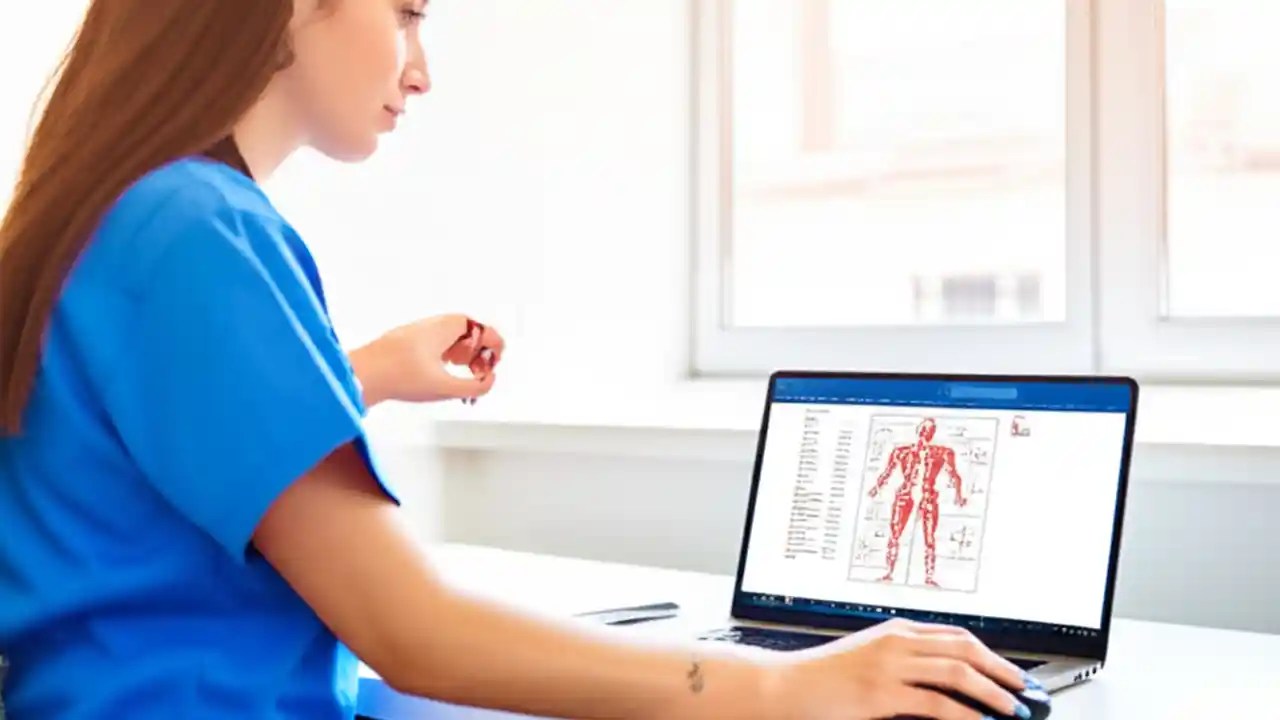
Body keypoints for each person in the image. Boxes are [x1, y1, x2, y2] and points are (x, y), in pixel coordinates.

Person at [0, 2, 1034, 719]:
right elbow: (414, 631)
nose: (421, 67)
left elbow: (140, 450)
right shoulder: (200, 230)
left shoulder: (120, 214)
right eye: (405, 11)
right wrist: (784, 687)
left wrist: (356, 372)